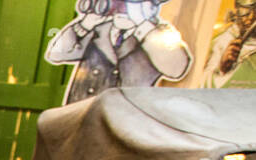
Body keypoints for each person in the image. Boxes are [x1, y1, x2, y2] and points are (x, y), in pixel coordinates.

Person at [46, 0, 192, 104]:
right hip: (83, 122)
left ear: (152, 7)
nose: (124, 7)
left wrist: (142, 24)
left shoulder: (159, 36)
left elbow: (176, 69)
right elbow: (57, 54)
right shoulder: (98, 29)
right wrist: (83, 26)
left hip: (124, 129)